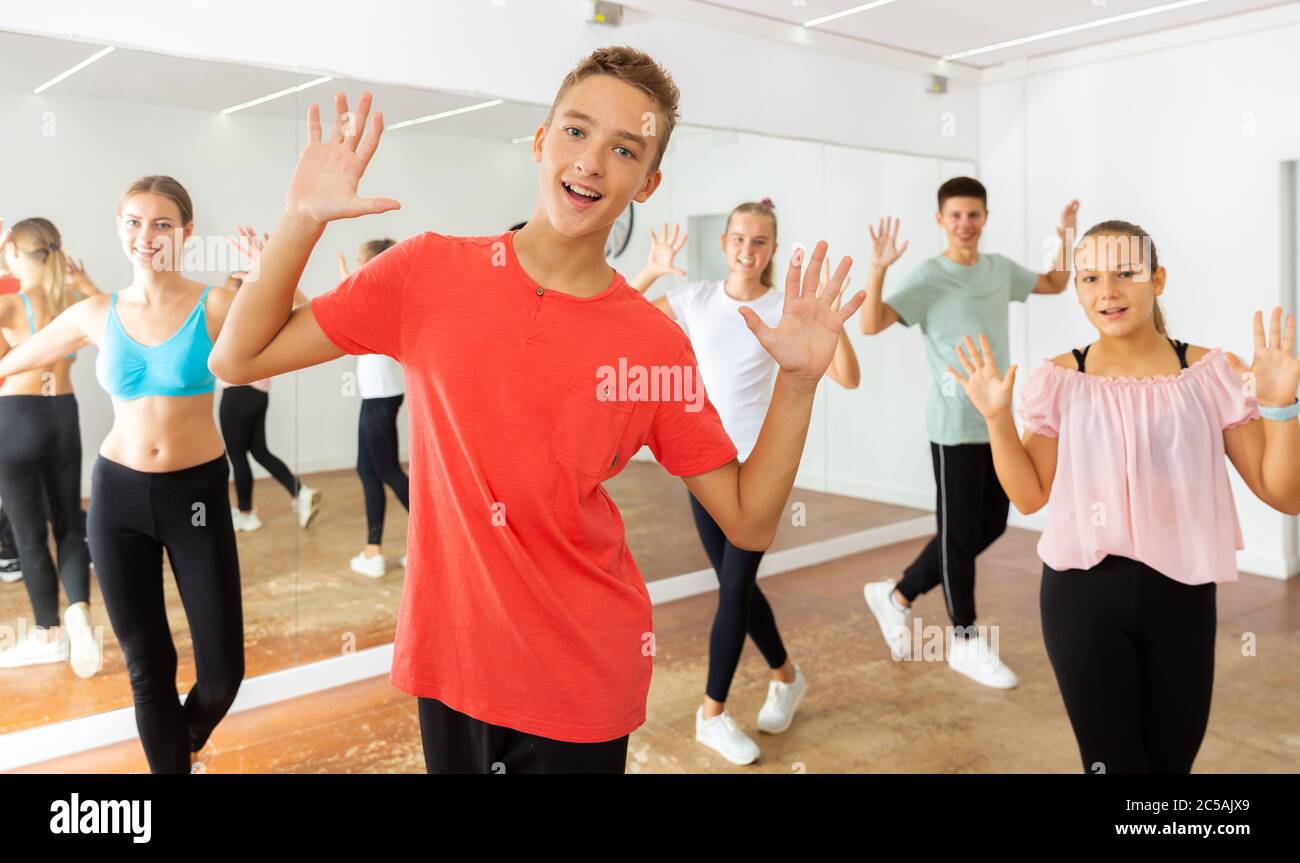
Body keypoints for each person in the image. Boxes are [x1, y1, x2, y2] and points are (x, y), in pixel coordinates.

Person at [209, 46, 865, 774]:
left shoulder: (653, 345)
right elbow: (238, 358)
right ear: (540, 141)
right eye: (576, 131)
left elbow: (748, 519)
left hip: (582, 682)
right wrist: (301, 218)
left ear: (647, 183)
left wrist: (797, 383)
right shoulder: (426, 271)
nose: (591, 162)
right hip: (450, 665)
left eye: (625, 149)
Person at [950, 220, 1300, 773]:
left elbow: (1284, 494)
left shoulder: (1210, 374)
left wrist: (1282, 407)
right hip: (1081, 599)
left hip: (1183, 601)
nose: (1107, 291)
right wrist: (997, 419)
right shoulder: (1062, 377)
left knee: (1170, 771)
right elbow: (1030, 496)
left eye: (1125, 273)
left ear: (1157, 280)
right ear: (1078, 289)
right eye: (1090, 278)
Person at [0, 177, 245, 773]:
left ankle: (184, 740)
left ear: (186, 232)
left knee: (223, 671)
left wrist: (264, 275)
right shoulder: (96, 313)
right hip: (118, 498)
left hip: (197, 497)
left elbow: (297, 323)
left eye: (162, 223)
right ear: (120, 229)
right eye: (134, 222)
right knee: (148, 667)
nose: (146, 235)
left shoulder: (215, 304)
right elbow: (13, 362)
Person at [629, 206, 861, 765]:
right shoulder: (696, 299)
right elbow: (619, 318)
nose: (747, 250)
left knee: (734, 588)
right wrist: (653, 269)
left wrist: (833, 326)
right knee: (738, 586)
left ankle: (711, 713)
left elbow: (848, 378)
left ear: (772, 248)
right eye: (738, 239)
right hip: (703, 465)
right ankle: (786, 675)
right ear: (725, 242)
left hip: (759, 471)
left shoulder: (785, 306)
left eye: (759, 241)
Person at [858, 178, 1078, 688]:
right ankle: (964, 638)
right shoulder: (929, 276)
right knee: (957, 536)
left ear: (985, 218)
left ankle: (896, 595)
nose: (965, 224)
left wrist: (1066, 235)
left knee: (991, 525)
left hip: (996, 421)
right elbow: (871, 324)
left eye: (973, 215)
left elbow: (1054, 283)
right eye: (955, 215)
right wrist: (878, 268)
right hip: (953, 425)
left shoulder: (999, 270)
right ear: (940, 220)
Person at [0, 217, 98, 676]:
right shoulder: (75, 303)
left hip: (17, 416)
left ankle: (47, 635)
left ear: (16, 254)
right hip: (63, 414)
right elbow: (118, 322)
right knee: (68, 524)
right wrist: (87, 285)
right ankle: (79, 608)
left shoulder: (9, 305)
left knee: (28, 533)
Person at [218, 226, 321, 533]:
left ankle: (247, 512)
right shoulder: (263, 319)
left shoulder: (230, 321)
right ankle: (299, 492)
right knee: (259, 451)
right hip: (258, 395)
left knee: (237, 456)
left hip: (236, 395)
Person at [336, 239, 409, 577]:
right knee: (367, 470)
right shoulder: (379, 296)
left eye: (360, 261)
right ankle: (373, 551)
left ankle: (436, 541)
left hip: (381, 397)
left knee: (388, 471)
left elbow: (350, 302)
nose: (355, 266)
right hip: (377, 397)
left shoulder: (382, 297)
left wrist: (347, 280)